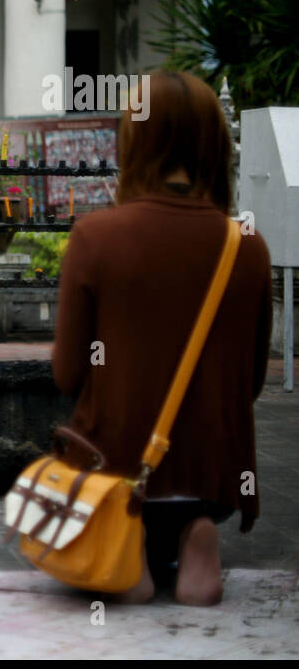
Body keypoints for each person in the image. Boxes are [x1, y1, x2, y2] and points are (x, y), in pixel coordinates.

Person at [51, 71, 273, 606]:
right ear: (215, 145)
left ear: (136, 142)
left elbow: (68, 373)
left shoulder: (96, 237)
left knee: (106, 484)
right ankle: (197, 532)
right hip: (216, 476)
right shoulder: (246, 245)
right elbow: (254, 381)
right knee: (196, 494)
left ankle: (135, 548)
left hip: (118, 470)